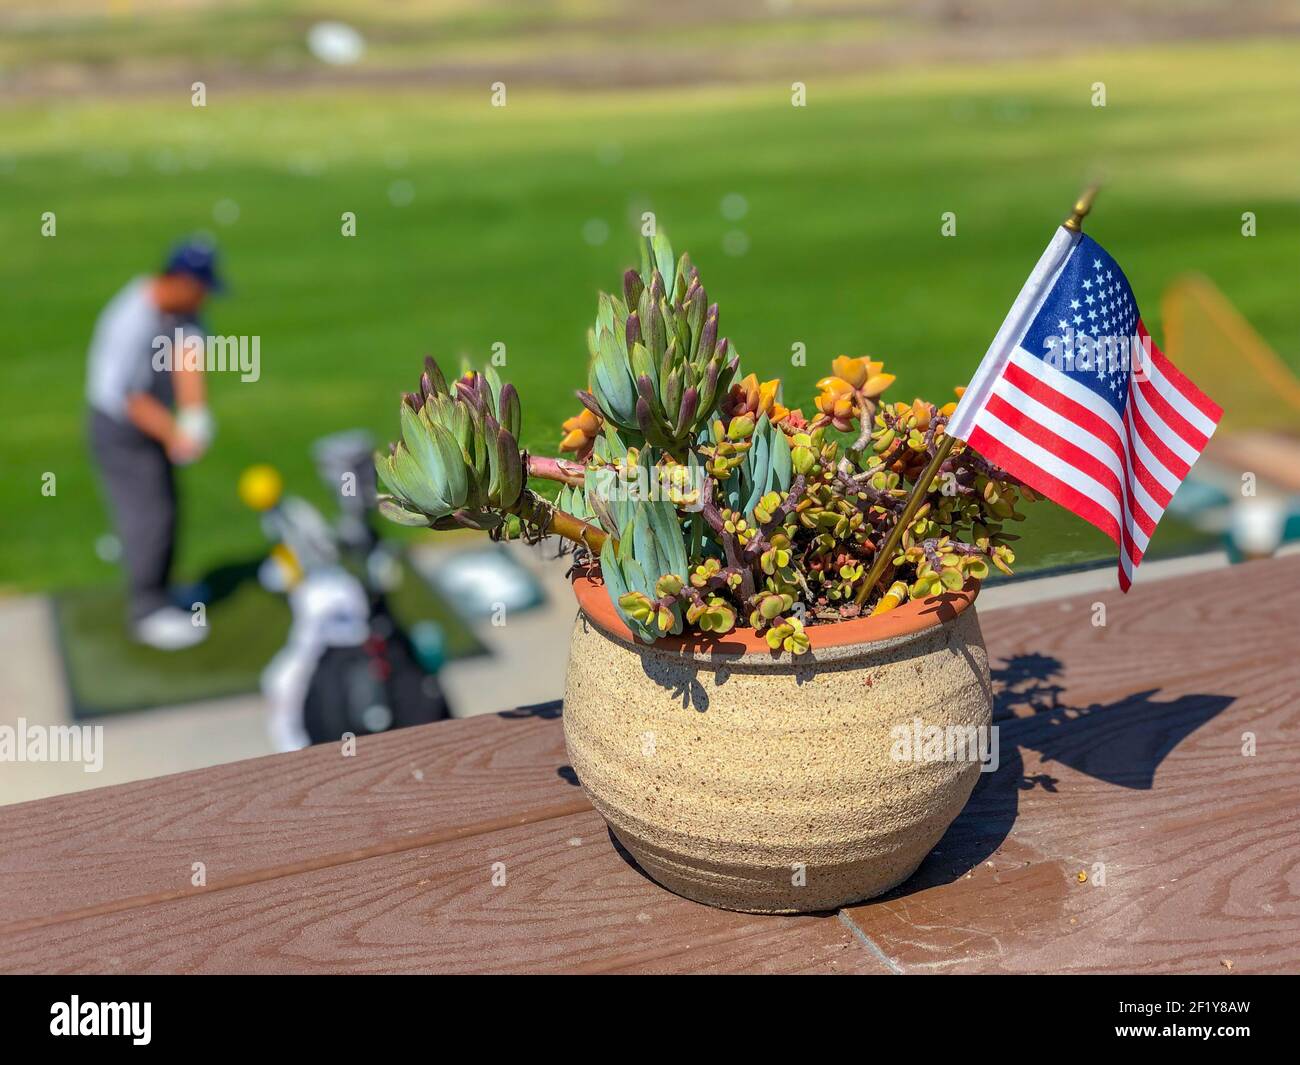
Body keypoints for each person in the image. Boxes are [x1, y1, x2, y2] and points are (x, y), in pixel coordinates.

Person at [85, 239, 223, 650]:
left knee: (168, 508)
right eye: (201, 287)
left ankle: (161, 592)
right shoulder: (129, 318)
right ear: (181, 281)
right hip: (120, 430)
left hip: (152, 423)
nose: (205, 297)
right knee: (149, 518)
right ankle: (146, 611)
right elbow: (128, 397)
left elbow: (189, 358)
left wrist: (195, 416)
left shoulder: (185, 310)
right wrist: (175, 433)